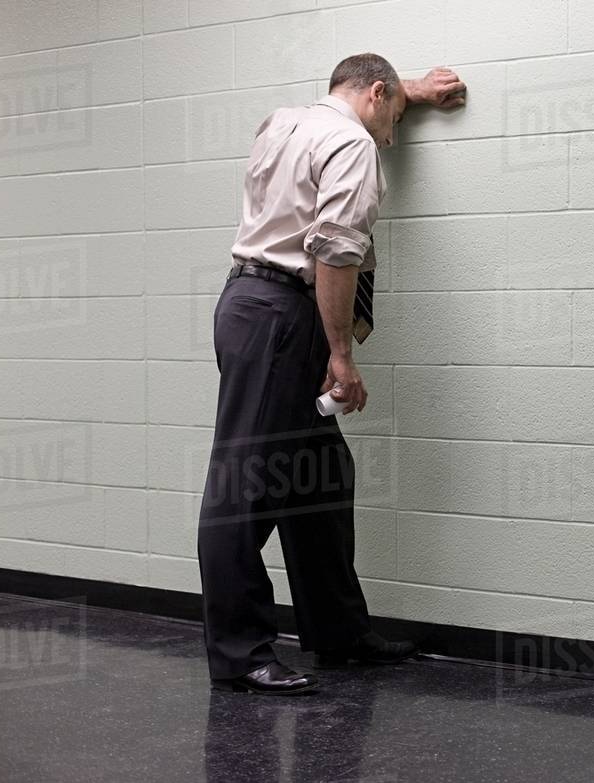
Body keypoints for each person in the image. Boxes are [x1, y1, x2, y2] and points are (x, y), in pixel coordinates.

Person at [197, 53, 466, 696]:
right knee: (245, 485)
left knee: (319, 475)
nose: (392, 137)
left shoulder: (285, 121)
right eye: (393, 118)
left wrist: (413, 92)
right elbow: (336, 252)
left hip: (253, 308)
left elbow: (361, 91)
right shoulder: (352, 143)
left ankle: (339, 633)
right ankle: (239, 652)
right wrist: (341, 356)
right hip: (286, 315)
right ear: (375, 95)